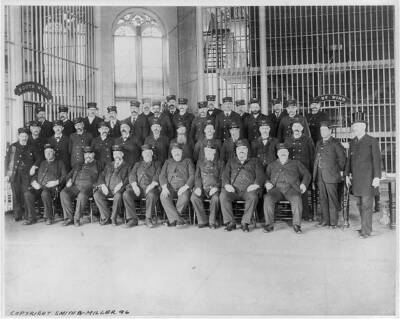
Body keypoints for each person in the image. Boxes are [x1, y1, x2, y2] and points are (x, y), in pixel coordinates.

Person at [345, 112, 381, 239]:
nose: (355, 128)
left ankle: (366, 231)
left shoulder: (372, 141)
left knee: (366, 205)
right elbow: (349, 160)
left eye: (358, 125)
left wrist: (377, 177)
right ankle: (364, 227)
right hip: (356, 180)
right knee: (359, 204)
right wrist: (347, 175)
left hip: (368, 180)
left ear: (364, 127)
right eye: (354, 125)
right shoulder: (353, 142)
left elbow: (377, 160)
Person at [263, 143, 311, 234]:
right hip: (276, 189)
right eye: (281, 152)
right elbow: (265, 176)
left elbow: (306, 174)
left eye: (285, 152)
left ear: (288, 153)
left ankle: (297, 225)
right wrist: (267, 183)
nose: (283, 153)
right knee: (268, 198)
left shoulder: (296, 163)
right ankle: (269, 225)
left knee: (297, 198)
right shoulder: (272, 165)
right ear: (277, 154)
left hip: (291, 189)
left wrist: (303, 184)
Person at [220, 140, 264, 232]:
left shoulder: (255, 161)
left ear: (247, 150)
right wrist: (227, 184)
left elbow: (260, 175)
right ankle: (230, 222)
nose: (241, 151)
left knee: (253, 196)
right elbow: (225, 175)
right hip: (233, 190)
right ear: (236, 151)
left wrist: (255, 185)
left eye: (244, 148)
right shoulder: (231, 161)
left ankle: (245, 222)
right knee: (223, 195)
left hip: (248, 190)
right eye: (239, 149)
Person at [313, 121, 346, 228]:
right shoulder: (319, 143)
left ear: (330, 131)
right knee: (322, 198)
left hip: (331, 175)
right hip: (320, 175)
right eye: (321, 130)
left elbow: (342, 160)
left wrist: (337, 171)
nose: (322, 132)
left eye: (325, 130)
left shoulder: (336, 143)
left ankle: (333, 222)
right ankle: (325, 220)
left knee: (332, 199)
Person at [5, 127, 41, 221]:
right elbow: (7, 161)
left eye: (25, 136)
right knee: (16, 194)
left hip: (27, 175)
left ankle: (27, 214)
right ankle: (17, 214)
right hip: (15, 174)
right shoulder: (13, 147)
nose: (24, 138)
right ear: (18, 136)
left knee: (26, 194)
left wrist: (34, 166)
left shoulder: (32, 147)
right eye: (22, 136)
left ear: (28, 137)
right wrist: (6, 175)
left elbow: (39, 159)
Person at [25, 144, 67, 225]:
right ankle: (31, 218)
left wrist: (56, 182)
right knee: (28, 194)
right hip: (40, 186)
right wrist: (33, 182)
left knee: (45, 193)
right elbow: (35, 175)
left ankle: (49, 217)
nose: (47, 154)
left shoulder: (60, 163)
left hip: (52, 188)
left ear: (53, 152)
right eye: (46, 152)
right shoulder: (42, 163)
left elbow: (64, 176)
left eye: (50, 152)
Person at [60, 146, 101, 226]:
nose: (87, 156)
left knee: (82, 195)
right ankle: (69, 218)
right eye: (86, 154)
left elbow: (102, 177)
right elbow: (69, 175)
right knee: (63, 193)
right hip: (76, 186)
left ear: (93, 154)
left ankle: (76, 219)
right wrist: (69, 180)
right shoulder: (78, 164)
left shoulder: (98, 164)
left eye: (89, 154)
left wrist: (96, 185)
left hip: (88, 187)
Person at [123, 144, 161, 228]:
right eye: (145, 153)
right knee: (126, 194)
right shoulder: (137, 164)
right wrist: (134, 186)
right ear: (142, 155)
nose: (147, 155)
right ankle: (132, 219)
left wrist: (151, 185)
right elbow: (132, 175)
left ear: (152, 153)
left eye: (148, 153)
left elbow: (158, 175)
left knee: (151, 195)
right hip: (138, 189)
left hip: (150, 188)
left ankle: (148, 218)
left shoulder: (157, 164)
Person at [285, 120, 315, 221]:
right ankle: (293, 213)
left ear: (302, 129)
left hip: (304, 169)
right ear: (292, 128)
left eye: (299, 126)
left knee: (303, 191)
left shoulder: (308, 140)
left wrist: (311, 172)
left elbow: (312, 157)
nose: (296, 128)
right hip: (292, 170)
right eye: (294, 126)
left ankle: (305, 214)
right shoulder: (288, 140)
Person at [159, 143, 195, 228]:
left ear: (182, 152)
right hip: (170, 188)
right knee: (163, 196)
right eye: (174, 151)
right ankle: (178, 220)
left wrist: (185, 187)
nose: (176, 153)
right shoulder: (168, 161)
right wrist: (164, 187)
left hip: (184, 187)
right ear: (171, 153)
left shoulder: (188, 161)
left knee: (185, 197)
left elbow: (192, 175)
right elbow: (162, 175)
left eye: (178, 151)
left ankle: (172, 220)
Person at [93, 145, 130, 226]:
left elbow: (129, 178)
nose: (116, 155)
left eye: (118, 153)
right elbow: (101, 176)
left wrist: (121, 185)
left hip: (118, 190)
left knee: (118, 197)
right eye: (114, 153)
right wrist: (103, 185)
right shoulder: (109, 165)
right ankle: (106, 217)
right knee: (97, 194)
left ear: (122, 154)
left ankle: (113, 218)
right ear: (113, 155)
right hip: (107, 189)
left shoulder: (127, 165)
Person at [191, 141, 223, 229]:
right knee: (194, 197)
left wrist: (216, 187)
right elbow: (197, 177)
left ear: (214, 152)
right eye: (206, 151)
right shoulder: (200, 162)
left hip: (214, 189)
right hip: (203, 189)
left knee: (216, 199)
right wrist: (198, 187)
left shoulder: (220, 163)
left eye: (210, 151)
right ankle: (202, 220)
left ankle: (212, 221)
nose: (207, 153)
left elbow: (222, 178)